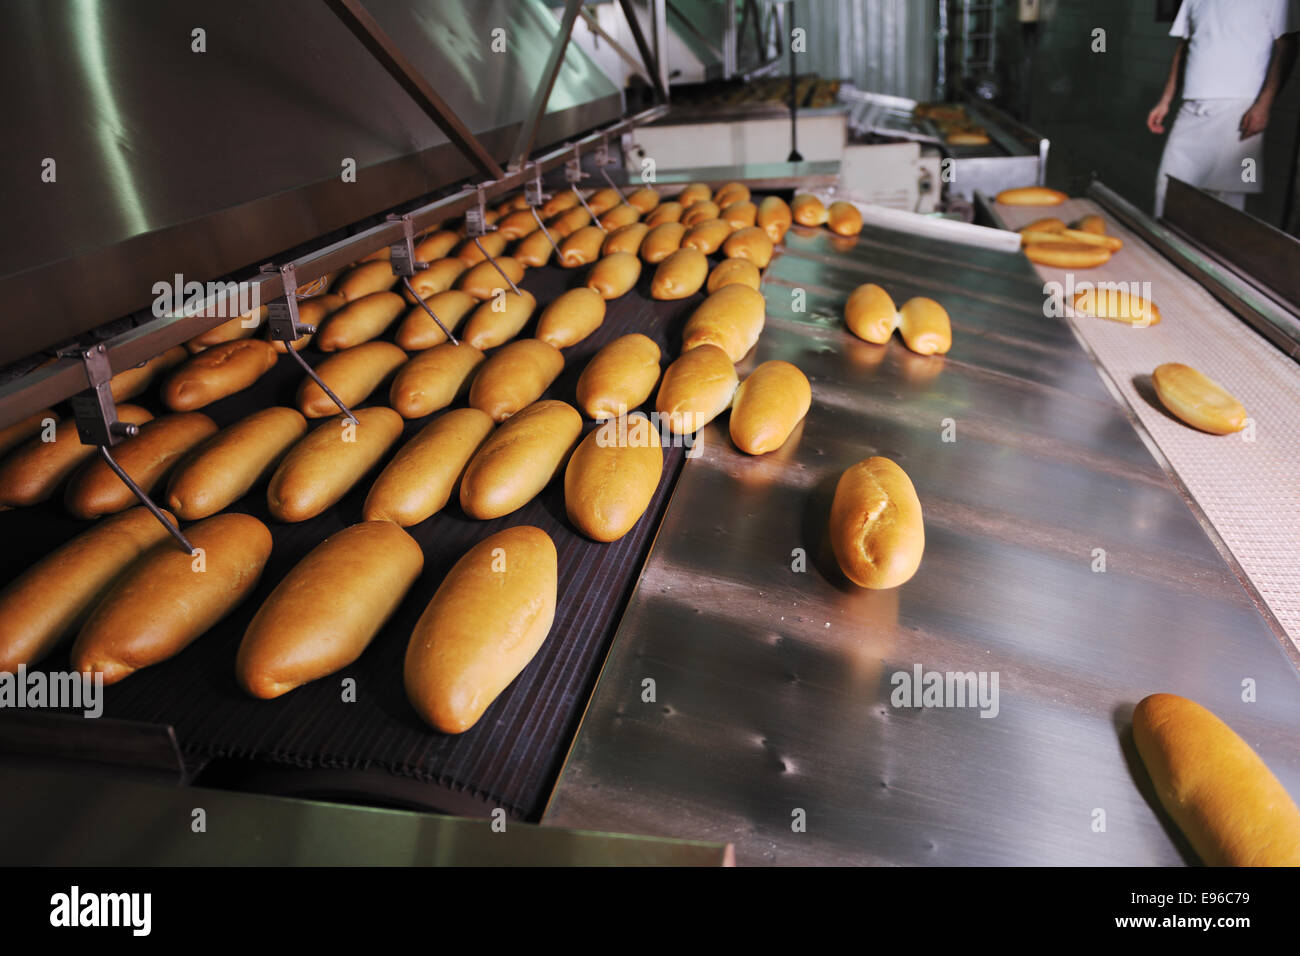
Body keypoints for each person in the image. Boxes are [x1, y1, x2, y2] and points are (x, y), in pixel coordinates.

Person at [1147, 0, 1298, 216]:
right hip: (1191, 107)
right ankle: (1162, 244)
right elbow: (1184, 46)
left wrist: (1264, 105)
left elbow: (1288, 46)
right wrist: (1165, 100)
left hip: (1239, 110)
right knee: (1167, 186)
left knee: (1229, 201)